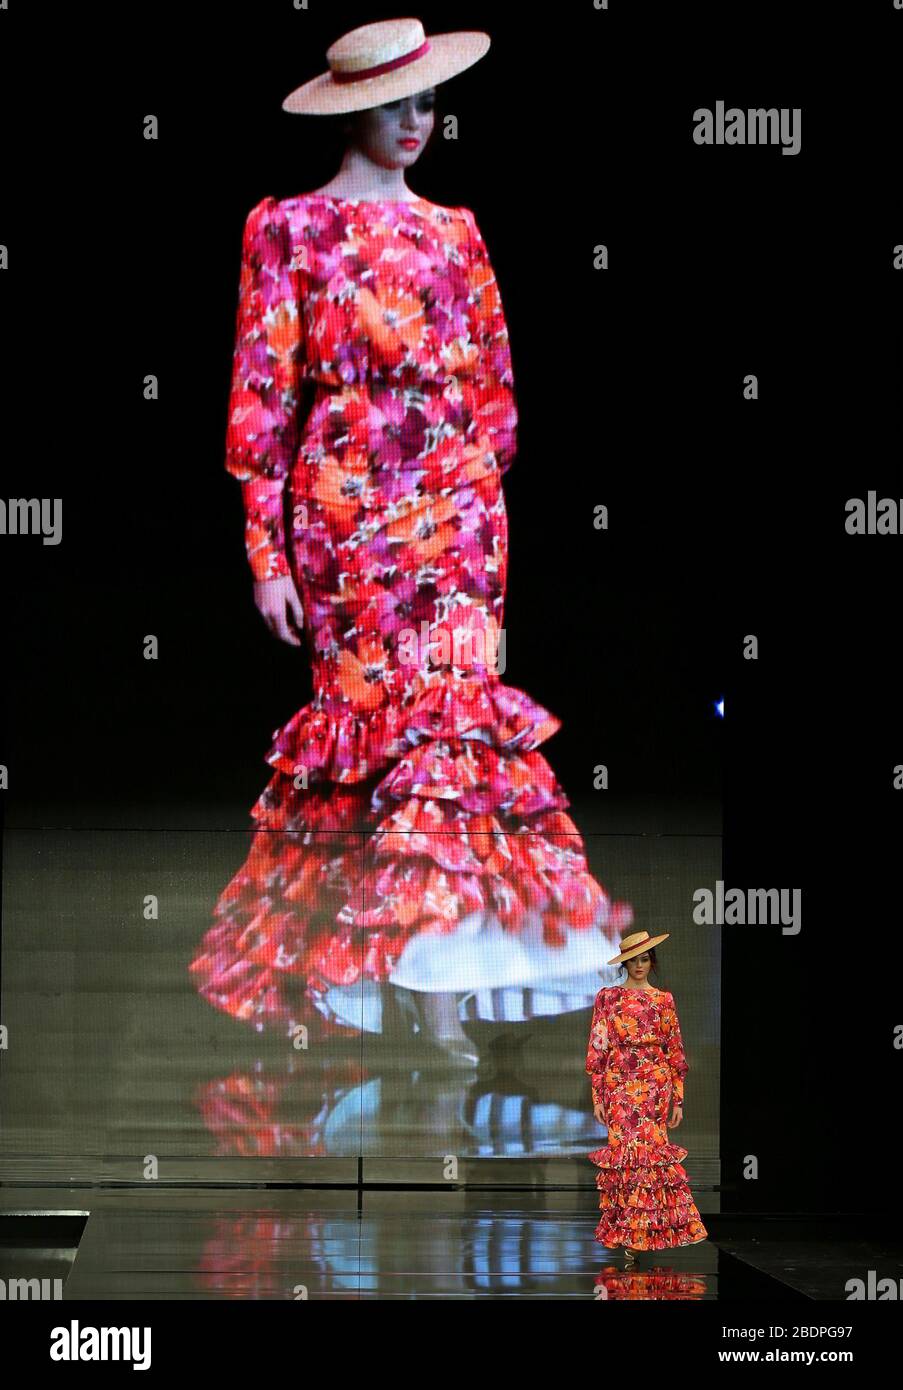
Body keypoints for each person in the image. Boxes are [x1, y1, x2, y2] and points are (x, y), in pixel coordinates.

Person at [189, 18, 634, 1066]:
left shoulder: (457, 231)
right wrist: (265, 553)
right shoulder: (288, 228)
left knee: (456, 740)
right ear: (353, 110)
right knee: (371, 737)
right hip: (344, 510)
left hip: (459, 511)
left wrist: (474, 489)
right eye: (396, 106)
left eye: (426, 104)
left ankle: (447, 989)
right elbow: (260, 400)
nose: (417, 123)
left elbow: (496, 391)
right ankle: (375, 982)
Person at [586, 930, 708, 1262]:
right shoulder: (608, 997)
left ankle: (643, 1232)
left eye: (644, 959)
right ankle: (629, 1232)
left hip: (655, 1084)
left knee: (650, 1155)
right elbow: (598, 1048)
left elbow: (674, 1050)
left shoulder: (663, 999)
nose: (639, 965)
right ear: (624, 962)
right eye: (633, 959)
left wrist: (678, 1099)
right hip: (619, 1085)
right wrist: (598, 1096)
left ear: (651, 961)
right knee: (625, 1154)